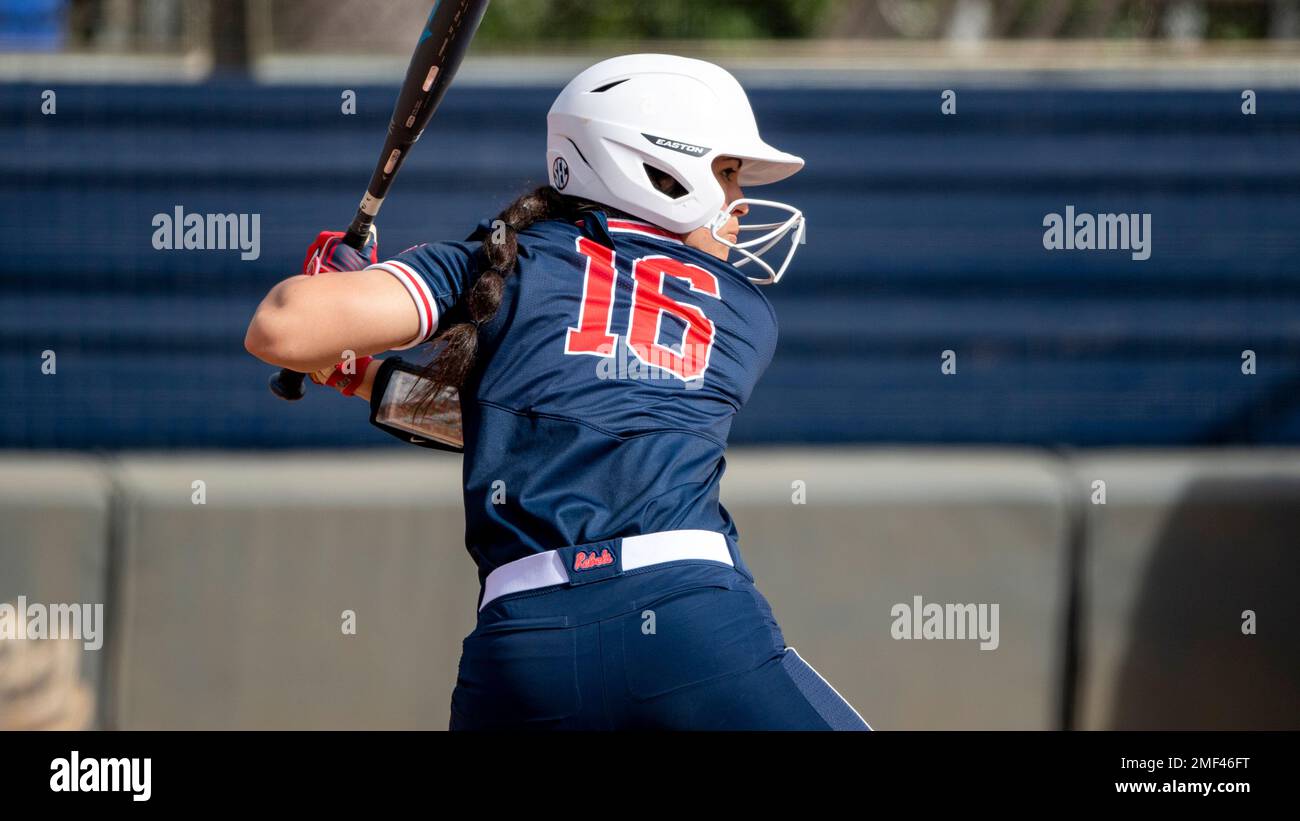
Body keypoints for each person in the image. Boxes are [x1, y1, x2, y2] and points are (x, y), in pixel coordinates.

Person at [245, 53, 870, 730]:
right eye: (726, 172)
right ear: (658, 167)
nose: (740, 202)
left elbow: (281, 327)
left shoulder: (501, 261)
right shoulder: (740, 313)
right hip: (692, 624)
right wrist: (359, 365)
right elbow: (579, 427)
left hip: (523, 648)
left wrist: (335, 312)